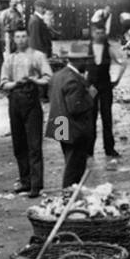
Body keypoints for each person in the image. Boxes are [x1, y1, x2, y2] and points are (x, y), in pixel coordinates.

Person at [0, 29, 53, 198]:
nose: (21, 40)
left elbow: (48, 77)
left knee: (34, 144)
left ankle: (36, 184)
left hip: (32, 101)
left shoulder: (37, 56)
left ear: (28, 38)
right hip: (14, 101)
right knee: (19, 144)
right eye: (17, 37)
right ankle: (25, 181)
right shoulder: (10, 59)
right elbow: (3, 83)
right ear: (13, 39)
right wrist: (15, 83)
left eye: (23, 36)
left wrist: (34, 80)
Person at [47, 58, 97, 188]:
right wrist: (90, 97)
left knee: (68, 159)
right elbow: (75, 107)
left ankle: (69, 194)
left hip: (60, 124)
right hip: (74, 128)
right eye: (86, 61)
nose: (87, 64)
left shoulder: (57, 75)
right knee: (74, 168)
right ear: (78, 61)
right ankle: (69, 197)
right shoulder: (73, 80)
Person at [86, 23, 124, 158]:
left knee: (107, 117)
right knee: (91, 117)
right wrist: (85, 84)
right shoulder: (85, 47)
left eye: (102, 33)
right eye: (97, 32)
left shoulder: (109, 48)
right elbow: (75, 67)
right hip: (91, 86)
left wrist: (117, 80)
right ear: (92, 33)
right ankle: (88, 149)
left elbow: (123, 63)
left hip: (106, 86)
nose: (100, 35)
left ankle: (109, 148)